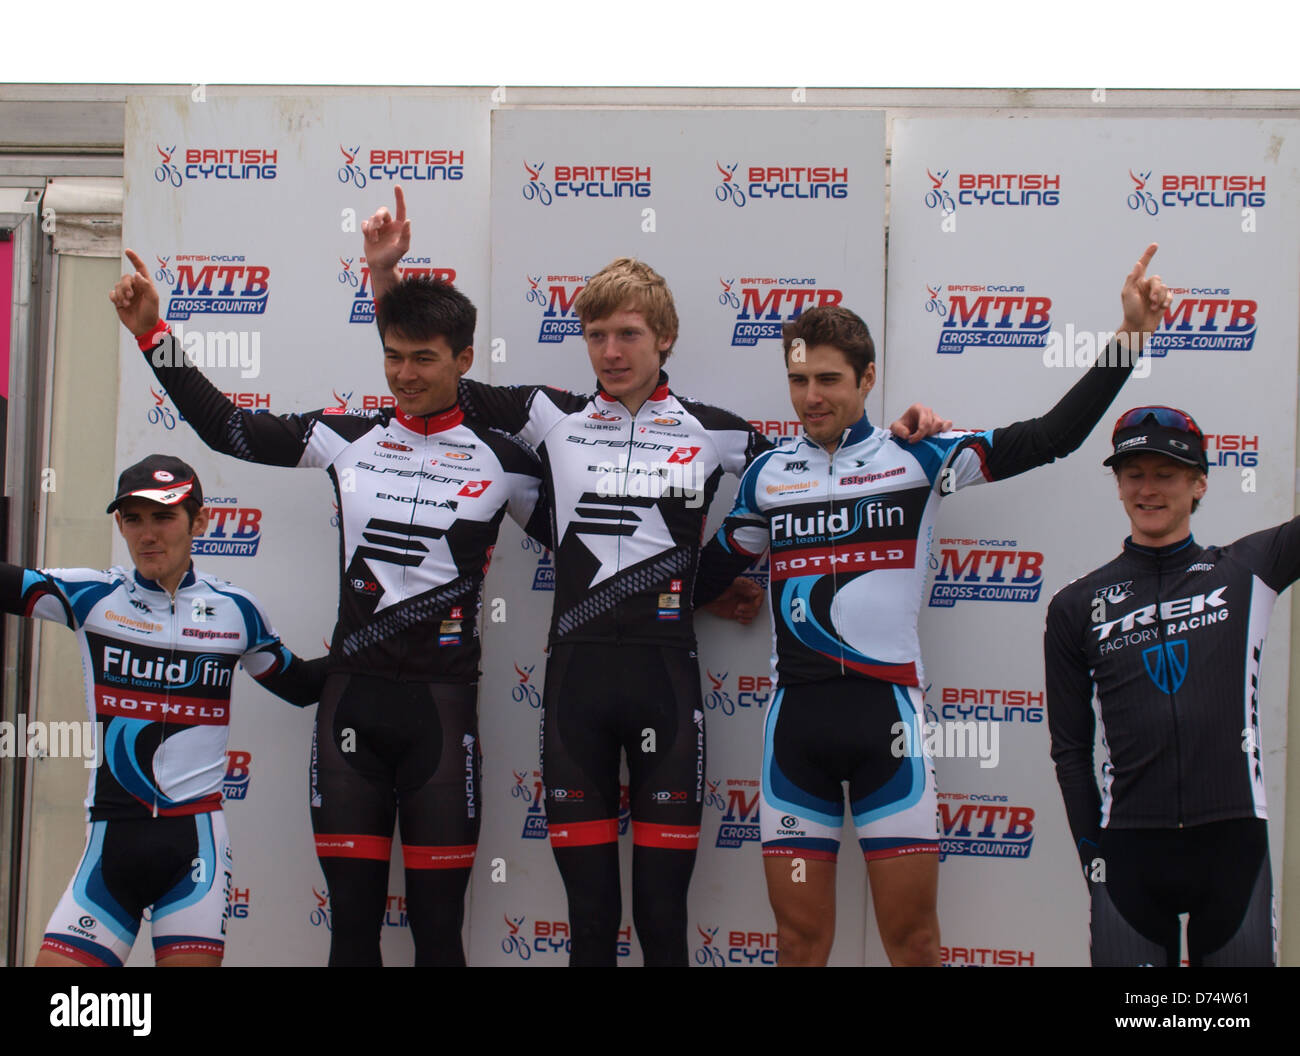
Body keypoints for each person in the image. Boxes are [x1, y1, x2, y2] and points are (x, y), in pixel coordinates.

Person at [363, 188, 945, 966]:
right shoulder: (549, 415)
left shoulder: (720, 432)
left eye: (628, 333)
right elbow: (428, 370)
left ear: (664, 338)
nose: (611, 351)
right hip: (574, 693)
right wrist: (383, 277)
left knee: (664, 923)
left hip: (668, 688)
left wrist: (904, 435)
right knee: (591, 923)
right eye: (596, 334)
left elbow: (824, 449)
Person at [693, 245, 1171, 966]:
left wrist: (1130, 336)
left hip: (891, 733)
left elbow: (1051, 438)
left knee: (914, 943)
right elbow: (703, 572)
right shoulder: (767, 475)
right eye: (797, 380)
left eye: (828, 379)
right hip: (794, 739)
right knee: (797, 942)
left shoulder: (917, 456)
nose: (811, 396)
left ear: (868, 379)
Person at [110, 252, 549, 966]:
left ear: (465, 358)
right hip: (351, 710)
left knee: (441, 936)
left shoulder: (507, 458)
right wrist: (153, 334)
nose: (405, 376)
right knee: (351, 935)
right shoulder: (349, 437)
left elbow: (595, 549)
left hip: (443, 711)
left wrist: (717, 581)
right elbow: (230, 430)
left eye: (425, 360)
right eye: (393, 358)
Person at [1, 454, 324, 966]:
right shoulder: (94, 596)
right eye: (134, 518)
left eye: (163, 516)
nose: (148, 534)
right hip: (110, 844)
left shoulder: (236, 611)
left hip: (193, 850)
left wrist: (379, 647)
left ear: (198, 521)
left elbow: (303, 686)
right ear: (120, 525)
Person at [1045, 406, 1290, 966]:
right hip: (1130, 853)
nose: (1148, 489)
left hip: (1232, 846)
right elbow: (1070, 751)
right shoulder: (1076, 605)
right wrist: (1093, 857)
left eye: (1167, 474)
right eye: (1134, 474)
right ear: (1118, 484)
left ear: (1199, 482)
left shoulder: (1247, 570)